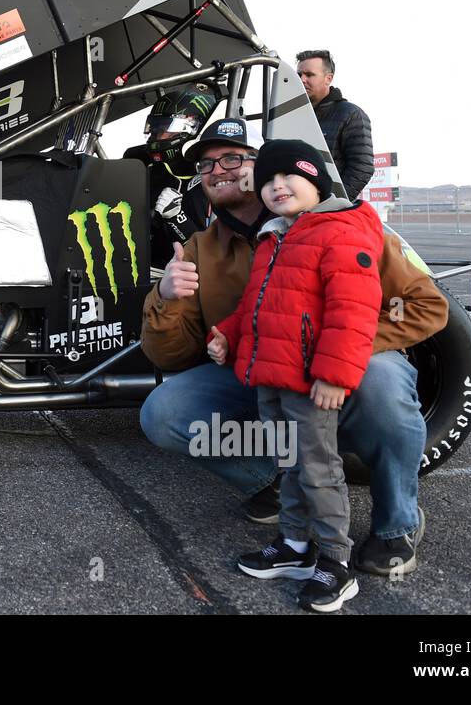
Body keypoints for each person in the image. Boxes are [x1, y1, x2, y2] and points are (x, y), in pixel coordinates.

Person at [138, 117, 447, 579]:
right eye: (206, 164)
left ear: (258, 169)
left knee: (382, 379)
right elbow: (171, 357)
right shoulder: (199, 248)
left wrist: (337, 351)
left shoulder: (345, 227)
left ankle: (396, 522)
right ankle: (285, 481)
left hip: (337, 368)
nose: (217, 170)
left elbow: (425, 306)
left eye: (232, 158)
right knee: (164, 412)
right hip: (265, 375)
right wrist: (165, 300)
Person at [207, 139, 383, 612]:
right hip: (271, 376)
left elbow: (355, 311)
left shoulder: (339, 232)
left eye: (289, 176)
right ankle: (295, 546)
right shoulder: (274, 236)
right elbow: (258, 304)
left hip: (309, 382)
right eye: (266, 180)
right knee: (288, 464)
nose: (276, 186)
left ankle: (336, 561)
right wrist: (228, 333)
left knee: (319, 470)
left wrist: (334, 375)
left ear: (317, 181)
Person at [122, 82, 219, 267]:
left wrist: (176, 217)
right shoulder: (142, 166)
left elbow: (209, 256)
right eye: (155, 129)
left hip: (182, 276)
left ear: (192, 128)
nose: (157, 136)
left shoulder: (210, 179)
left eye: (166, 129)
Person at [295, 50, 374, 200]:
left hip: (326, 211)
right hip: (295, 208)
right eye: (298, 75)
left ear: (328, 78)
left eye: (309, 75)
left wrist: (334, 203)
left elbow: (362, 167)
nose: (302, 80)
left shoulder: (351, 114)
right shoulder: (292, 116)